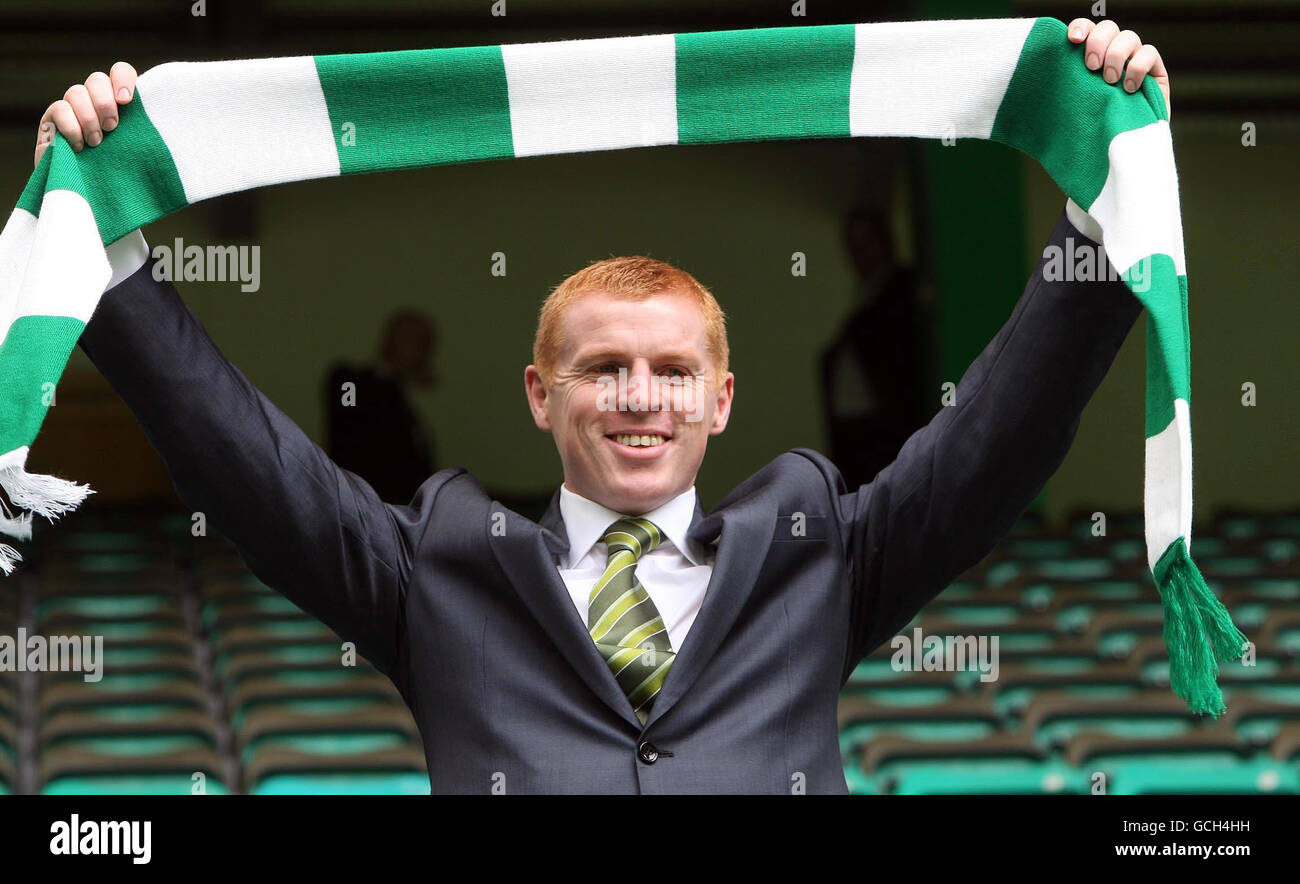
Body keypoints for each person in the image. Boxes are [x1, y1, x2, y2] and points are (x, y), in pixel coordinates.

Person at [40, 20, 1168, 793]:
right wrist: (105, 243)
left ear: (721, 400)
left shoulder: (817, 548)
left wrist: (1100, 198)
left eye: (675, 371)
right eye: (604, 367)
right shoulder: (436, 567)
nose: (641, 397)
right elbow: (246, 464)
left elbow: (992, 441)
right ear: (540, 393)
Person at [819, 205, 927, 488]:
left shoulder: (900, 292)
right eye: (853, 246)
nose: (859, 254)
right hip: (858, 438)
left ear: (886, 243)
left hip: (886, 436)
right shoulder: (864, 297)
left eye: (867, 243)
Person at [325, 310, 438, 504]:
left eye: (424, 344)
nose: (420, 351)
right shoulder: (349, 380)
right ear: (390, 338)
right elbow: (352, 430)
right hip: (360, 505)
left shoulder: (406, 402)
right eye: (415, 340)